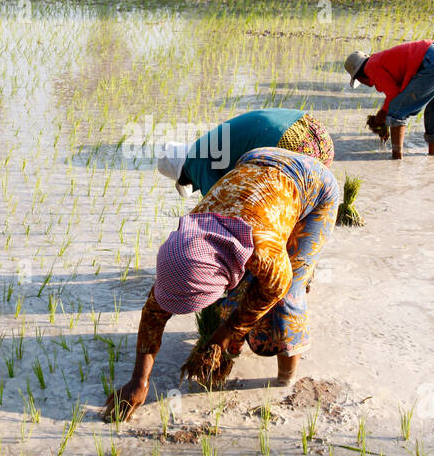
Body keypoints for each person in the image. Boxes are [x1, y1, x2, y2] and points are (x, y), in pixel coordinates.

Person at [104, 147, 338, 421]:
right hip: (252, 163)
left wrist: (224, 335)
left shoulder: (263, 252)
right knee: (232, 298)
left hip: (312, 183)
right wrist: (139, 381)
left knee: (288, 293)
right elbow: (154, 314)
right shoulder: (183, 246)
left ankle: (284, 381)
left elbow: (274, 289)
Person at [156, 108, 333, 197]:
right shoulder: (207, 145)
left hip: (288, 145)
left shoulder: (194, 162)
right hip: (318, 134)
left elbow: (220, 204)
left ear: (181, 177)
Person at [344, 39, 434, 160]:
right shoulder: (380, 59)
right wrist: (383, 113)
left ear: (359, 76)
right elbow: (398, 92)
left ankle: (397, 160)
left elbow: (393, 96)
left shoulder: (370, 67)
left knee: (396, 110)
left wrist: (381, 115)